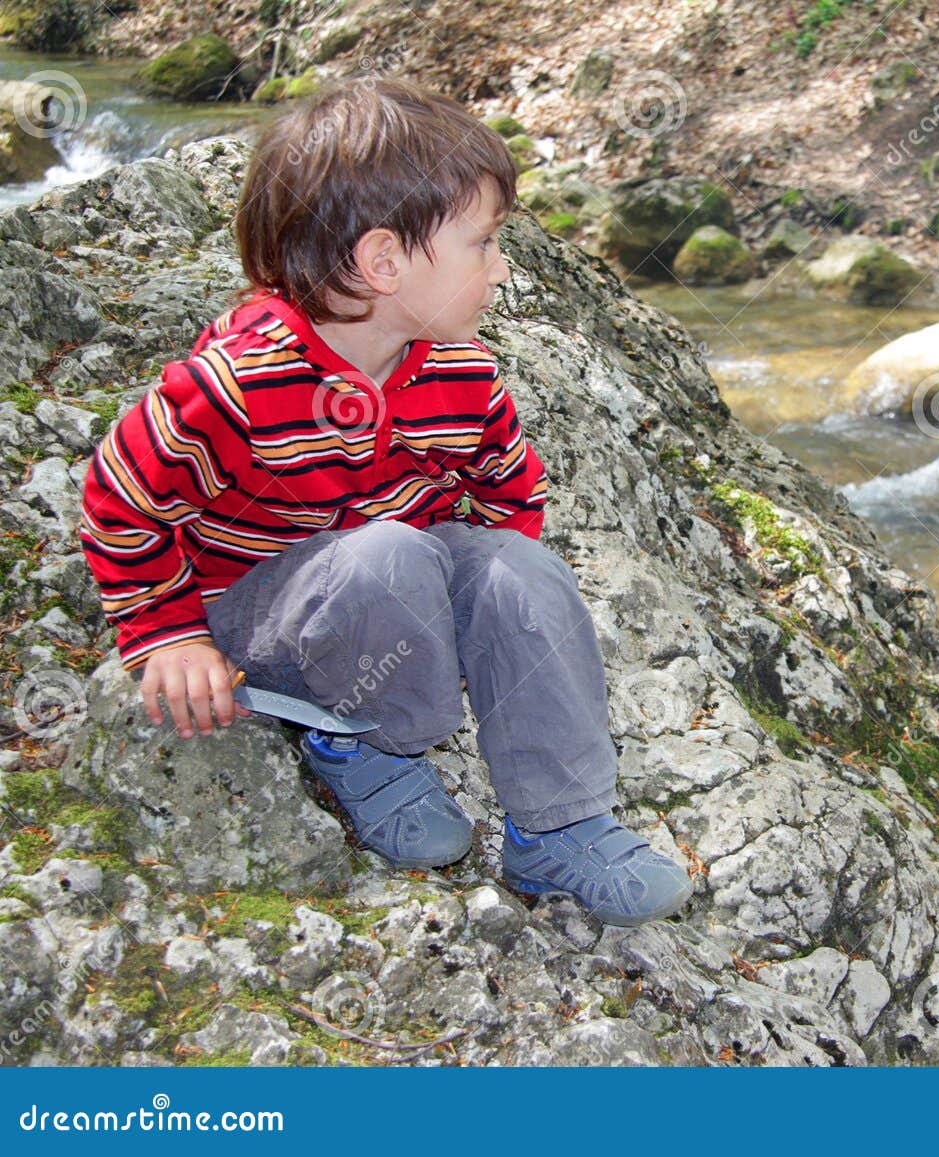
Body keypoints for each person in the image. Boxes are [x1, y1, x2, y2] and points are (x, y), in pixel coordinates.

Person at [76, 76, 690, 928]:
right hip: (269, 614)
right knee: (389, 557)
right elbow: (119, 496)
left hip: (393, 586)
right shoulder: (236, 386)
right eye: (484, 243)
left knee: (521, 570)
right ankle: (360, 744)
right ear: (384, 262)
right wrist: (168, 634)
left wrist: (485, 620)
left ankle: (558, 823)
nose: (501, 268)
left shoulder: (461, 373)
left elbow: (509, 491)